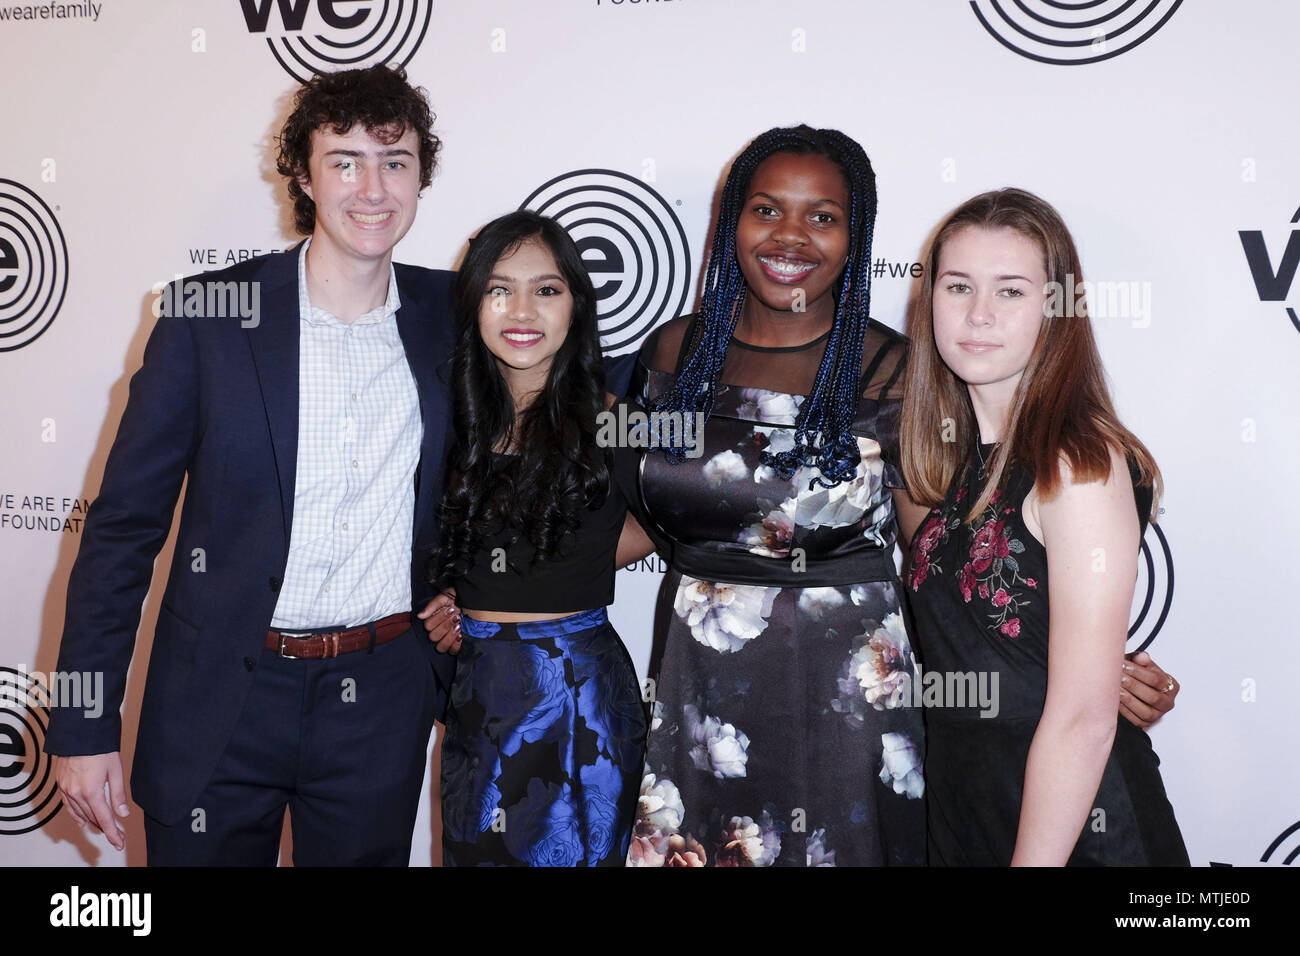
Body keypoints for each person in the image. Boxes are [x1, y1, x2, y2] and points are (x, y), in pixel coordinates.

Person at [600, 126, 1182, 867]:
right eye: (959, 287)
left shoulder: (1032, 443)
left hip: (875, 722)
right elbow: (957, 582)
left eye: (823, 216)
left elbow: (986, 612)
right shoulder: (676, 356)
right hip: (715, 694)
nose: (978, 315)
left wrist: (1093, 676)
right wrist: (505, 597)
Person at [44, 65, 458, 865]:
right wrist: (83, 725)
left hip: (377, 703)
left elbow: (548, 424)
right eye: (345, 160)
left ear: (420, 176)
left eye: (395, 160)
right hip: (218, 701)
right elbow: (122, 533)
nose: (372, 188)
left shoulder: (455, 317)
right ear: (303, 174)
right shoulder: (206, 317)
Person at [899, 188, 1189, 865]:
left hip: (1076, 832)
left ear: (1057, 310)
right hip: (968, 814)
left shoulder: (1077, 462)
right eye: (959, 285)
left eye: (1011, 292)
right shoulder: (946, 463)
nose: (978, 314)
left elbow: (1084, 721)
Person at [432, 211, 647, 866]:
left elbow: (667, 524)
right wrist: (450, 588)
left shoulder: (615, 420)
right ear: (473, 301)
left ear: (576, 304)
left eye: (547, 290)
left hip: (583, 692)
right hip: (476, 692)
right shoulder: (444, 413)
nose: (522, 310)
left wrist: (564, 567)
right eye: (500, 289)